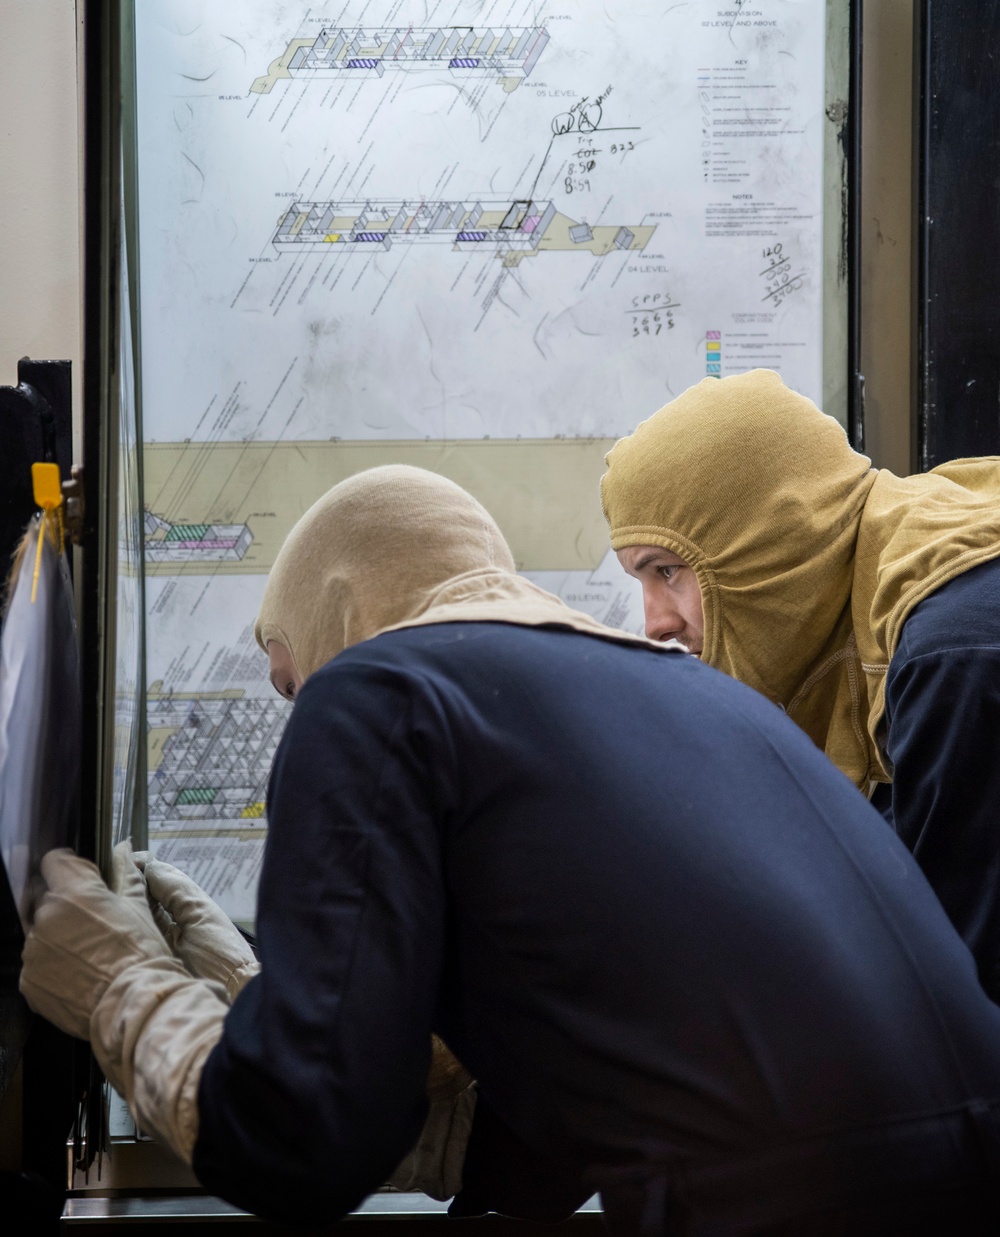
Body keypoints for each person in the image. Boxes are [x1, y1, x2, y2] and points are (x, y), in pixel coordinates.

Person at [20, 465, 1000, 1234]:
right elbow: (602, 1083)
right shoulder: (694, 690)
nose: (298, 711)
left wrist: (122, 989)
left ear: (340, 612)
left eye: (287, 679)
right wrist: (289, 1041)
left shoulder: (370, 692)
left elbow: (299, 1150)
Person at [602, 367, 1000, 1001]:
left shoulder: (953, 655)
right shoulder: (894, 595)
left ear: (768, 539)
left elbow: (962, 992)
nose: (656, 623)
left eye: (668, 570)